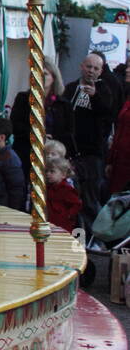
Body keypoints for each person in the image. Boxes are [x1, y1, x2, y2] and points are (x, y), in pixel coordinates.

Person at [64, 52, 119, 227]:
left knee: (89, 198)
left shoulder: (105, 90)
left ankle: (89, 237)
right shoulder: (72, 87)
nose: (91, 71)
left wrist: (95, 97)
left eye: (96, 68)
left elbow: (108, 114)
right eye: (89, 67)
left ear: (101, 71)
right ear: (82, 66)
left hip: (92, 153)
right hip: (70, 150)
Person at [9, 57, 74, 159]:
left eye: (45, 74)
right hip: (26, 153)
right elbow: (15, 125)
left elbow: (69, 133)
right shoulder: (23, 98)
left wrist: (52, 139)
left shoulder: (63, 104)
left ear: (54, 78)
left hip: (53, 158)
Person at [45, 156, 82, 234]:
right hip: (50, 222)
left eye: (52, 171)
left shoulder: (66, 189)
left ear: (63, 175)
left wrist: (68, 215)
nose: (48, 174)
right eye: (47, 171)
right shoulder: (47, 187)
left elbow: (77, 204)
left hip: (63, 225)